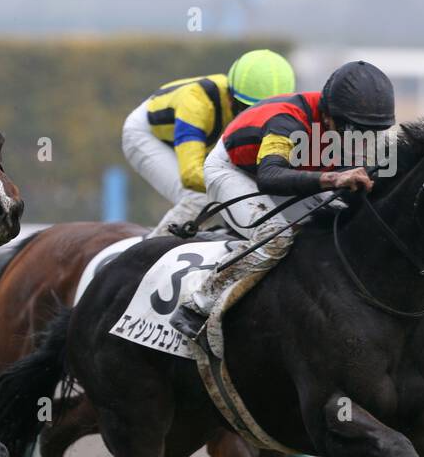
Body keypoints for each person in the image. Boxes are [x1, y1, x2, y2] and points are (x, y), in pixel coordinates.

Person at [169, 60, 396, 349]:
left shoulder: (347, 123)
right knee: (275, 236)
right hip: (237, 170)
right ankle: (197, 305)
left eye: (370, 132)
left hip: (290, 170)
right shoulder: (286, 121)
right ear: (329, 116)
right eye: (354, 130)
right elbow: (270, 177)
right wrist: (334, 178)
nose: (362, 140)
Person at [121, 49, 295, 237]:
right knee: (200, 197)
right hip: (146, 136)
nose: (257, 119)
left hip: (199, 140)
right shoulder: (195, 105)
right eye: (247, 109)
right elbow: (190, 176)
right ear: (230, 96)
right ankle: (147, 256)